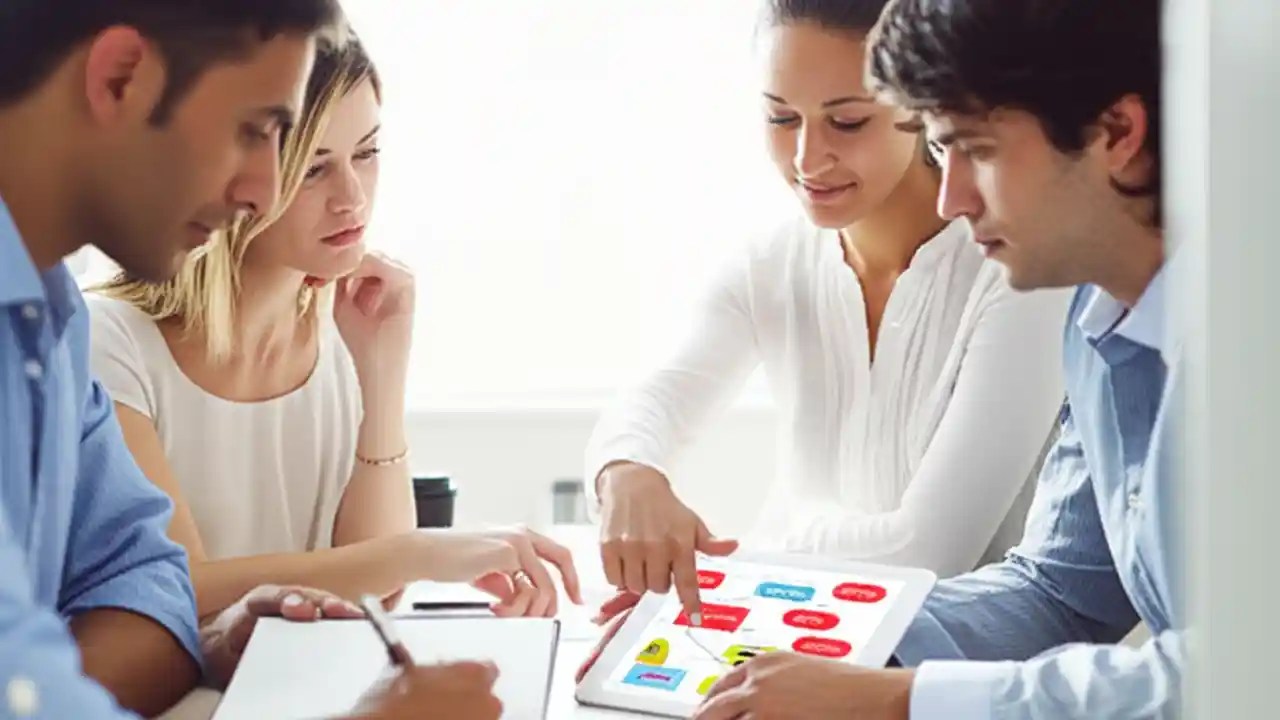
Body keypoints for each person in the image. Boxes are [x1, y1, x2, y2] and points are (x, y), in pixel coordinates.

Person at [0, 2, 500, 718]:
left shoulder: (49, 322)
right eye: (253, 131)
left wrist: (209, 642)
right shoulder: (101, 335)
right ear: (119, 80)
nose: (261, 190)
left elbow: (155, 589)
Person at [689, 1, 1181, 718]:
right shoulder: (1097, 325)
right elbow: (1061, 591)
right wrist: (775, 634)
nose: (950, 200)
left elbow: (1240, 668)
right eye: (943, 152)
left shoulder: (1251, 351)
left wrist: (900, 697)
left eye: (977, 151)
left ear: (1115, 133)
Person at [585, 0, 1071, 625]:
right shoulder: (771, 262)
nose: (807, 160)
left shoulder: (1020, 269)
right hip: (803, 644)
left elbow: (929, 554)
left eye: (846, 122)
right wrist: (627, 474)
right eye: (781, 118)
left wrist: (731, 576)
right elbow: (653, 400)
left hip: (963, 677)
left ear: (924, 109)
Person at [87, 34, 582, 623]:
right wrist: (422, 552)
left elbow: (380, 594)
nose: (353, 198)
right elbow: (174, 592)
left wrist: (382, 368)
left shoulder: (342, 331)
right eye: (314, 169)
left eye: (367, 153)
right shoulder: (107, 344)